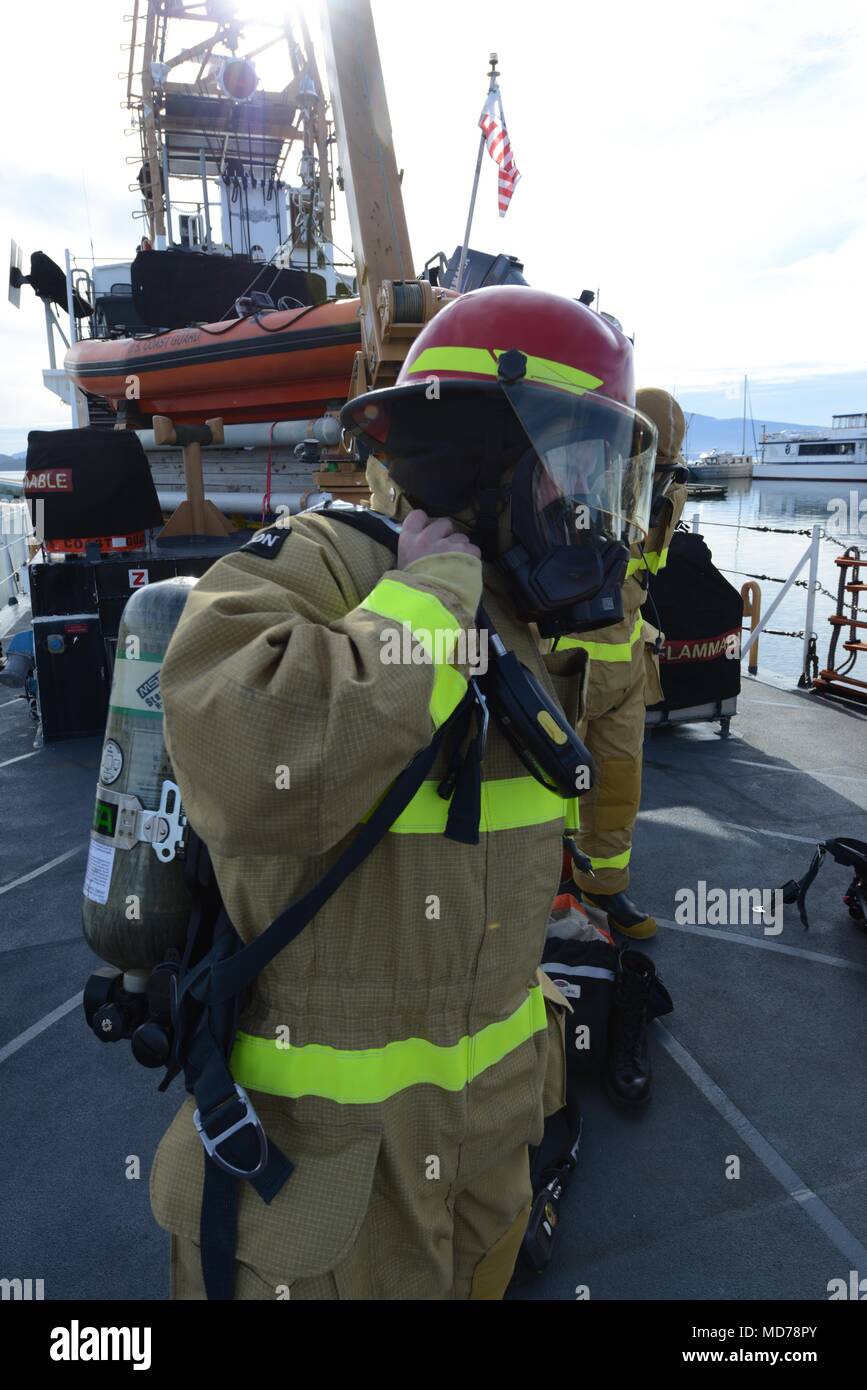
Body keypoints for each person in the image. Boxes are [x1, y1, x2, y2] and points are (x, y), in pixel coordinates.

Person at [150, 285, 658, 1300]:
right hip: (329, 1192)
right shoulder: (324, 567)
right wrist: (421, 607)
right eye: (576, 468)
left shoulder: (520, 623)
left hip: (485, 1158)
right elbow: (247, 758)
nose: (591, 508)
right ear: (483, 454)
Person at [556, 388, 689, 939]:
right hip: (570, 658)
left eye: (664, 463)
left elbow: (647, 568)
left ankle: (604, 889)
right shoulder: (581, 473)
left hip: (628, 661)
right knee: (549, 787)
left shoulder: (669, 488)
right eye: (650, 460)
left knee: (617, 785)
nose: (658, 471)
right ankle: (537, 900)